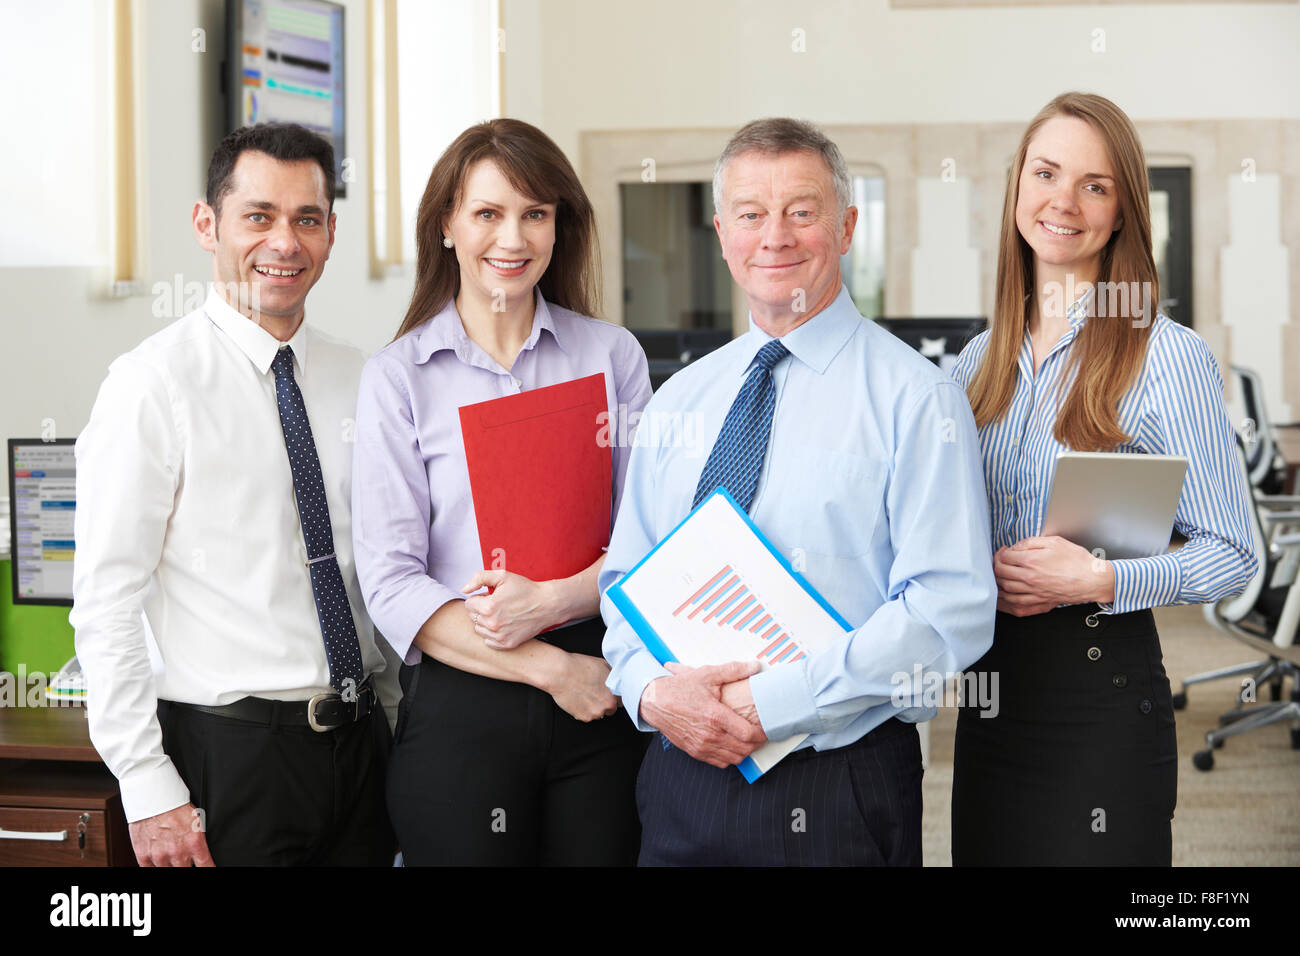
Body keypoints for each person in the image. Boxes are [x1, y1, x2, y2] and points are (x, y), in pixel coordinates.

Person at [599, 118, 997, 867]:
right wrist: (653, 694)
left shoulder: (916, 400)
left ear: (846, 227)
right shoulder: (681, 399)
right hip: (680, 776)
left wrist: (771, 705)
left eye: (801, 211)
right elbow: (625, 584)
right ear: (723, 233)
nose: (774, 236)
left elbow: (948, 611)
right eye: (751, 214)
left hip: (836, 781)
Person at [71, 123, 399, 866]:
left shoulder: (365, 380)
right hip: (231, 755)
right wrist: (146, 782)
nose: (284, 242)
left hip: (363, 747)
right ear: (206, 225)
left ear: (331, 233)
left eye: (306, 219)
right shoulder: (152, 385)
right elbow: (106, 599)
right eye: (258, 216)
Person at [949, 92, 1257, 866]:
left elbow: (1234, 553)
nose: (1063, 201)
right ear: (1018, 184)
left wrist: (1097, 579)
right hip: (988, 703)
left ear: (1122, 211)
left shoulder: (1165, 356)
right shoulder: (972, 365)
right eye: (1046, 172)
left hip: (1101, 703)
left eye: (1095, 184)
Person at [352, 118, 653, 866]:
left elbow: (647, 544)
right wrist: (550, 670)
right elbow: (392, 582)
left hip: (602, 691)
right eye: (487, 213)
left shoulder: (612, 357)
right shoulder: (399, 377)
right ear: (448, 226)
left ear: (558, 226)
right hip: (467, 698)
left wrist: (555, 605)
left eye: (534, 214)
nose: (511, 237)